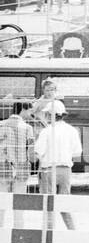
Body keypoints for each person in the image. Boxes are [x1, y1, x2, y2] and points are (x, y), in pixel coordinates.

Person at [34, 101, 80, 235]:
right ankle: (73, 234)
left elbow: (38, 152)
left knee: (48, 205)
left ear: (50, 115)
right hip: (65, 170)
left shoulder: (46, 131)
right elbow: (77, 152)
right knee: (64, 203)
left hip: (48, 170)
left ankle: (49, 237)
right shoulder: (71, 130)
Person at [0, 100, 35, 232]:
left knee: (1, 202)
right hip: (21, 167)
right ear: (23, 109)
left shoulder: (1, 125)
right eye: (30, 110)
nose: (31, 113)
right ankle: (19, 236)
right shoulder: (28, 128)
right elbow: (31, 152)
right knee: (19, 203)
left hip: (2, 166)